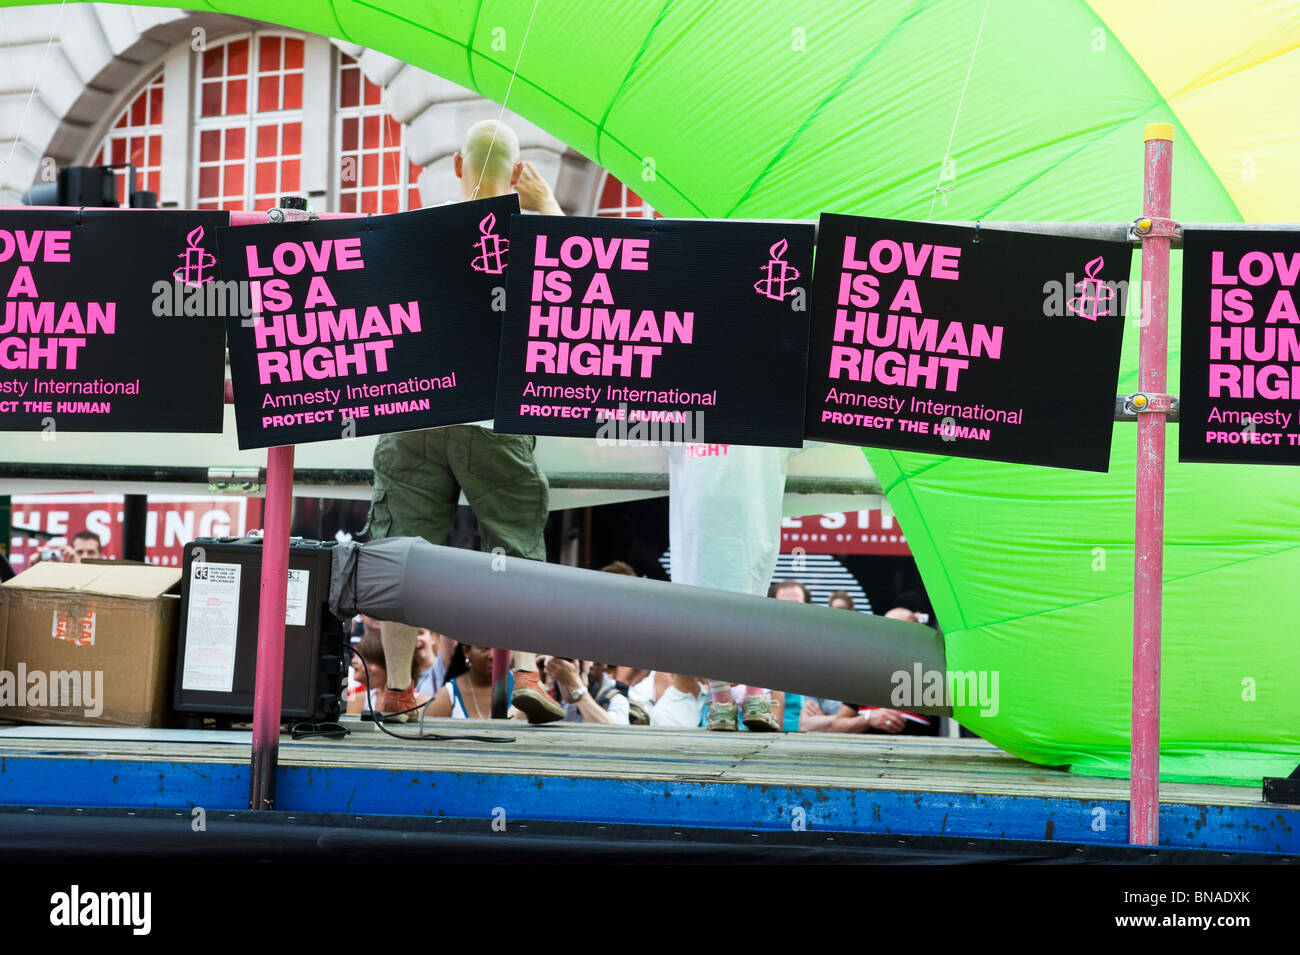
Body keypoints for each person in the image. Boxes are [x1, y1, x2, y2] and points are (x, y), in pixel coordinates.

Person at [364, 118, 564, 724]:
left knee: (400, 549)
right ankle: (527, 671)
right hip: (493, 416)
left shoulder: (418, 230)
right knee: (516, 548)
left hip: (415, 409)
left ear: (455, 165)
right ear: (521, 170)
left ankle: (398, 687)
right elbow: (586, 276)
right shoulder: (530, 236)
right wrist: (548, 204)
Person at [427, 644, 521, 721]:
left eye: (501, 649)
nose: (493, 656)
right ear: (466, 651)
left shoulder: (524, 687)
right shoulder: (447, 696)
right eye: (485, 648)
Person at [537, 656, 630, 725]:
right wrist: (535, 682)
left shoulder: (615, 700)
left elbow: (615, 737)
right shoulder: (551, 695)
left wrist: (576, 687)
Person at [30, 529, 103, 566]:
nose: (85, 556)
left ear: (100, 556)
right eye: (79, 552)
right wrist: (35, 569)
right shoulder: (60, 576)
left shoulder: (107, 579)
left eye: (91, 552)